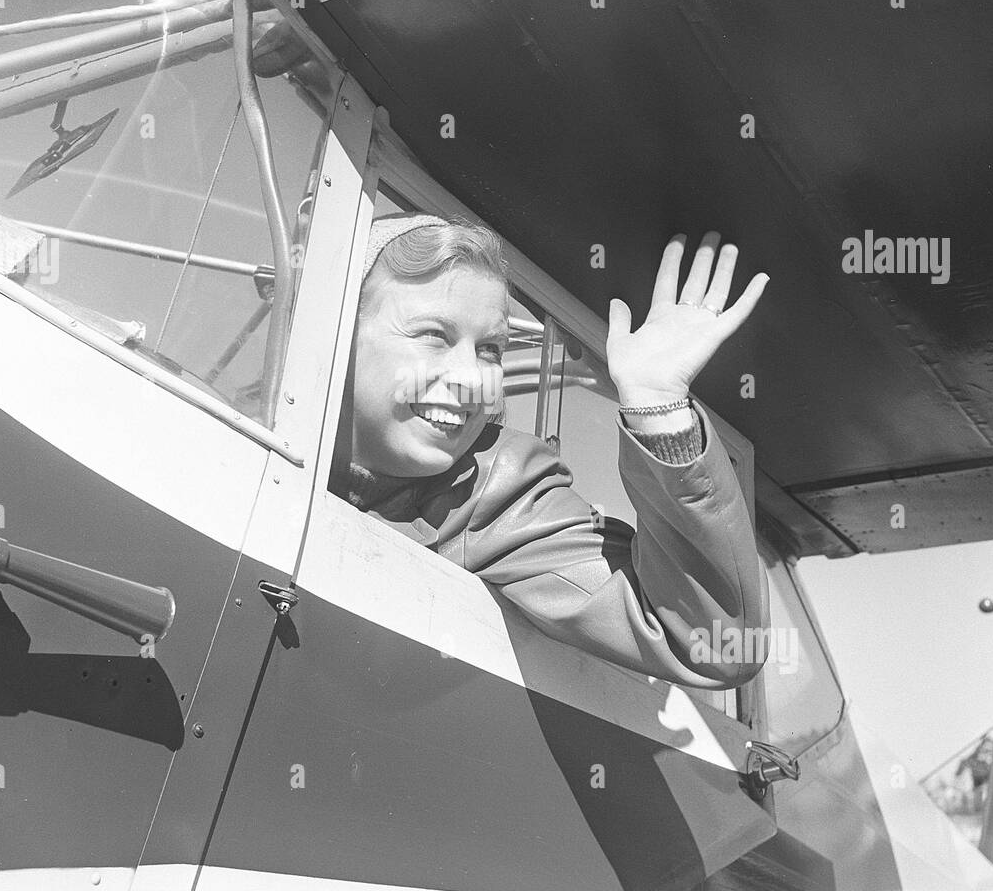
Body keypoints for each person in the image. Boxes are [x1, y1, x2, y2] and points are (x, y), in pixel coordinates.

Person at [329, 214, 770, 689]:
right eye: (434, 335)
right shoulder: (253, 433)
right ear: (337, 331)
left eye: (490, 350)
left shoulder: (497, 494)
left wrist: (658, 406)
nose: (472, 379)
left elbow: (719, 646)